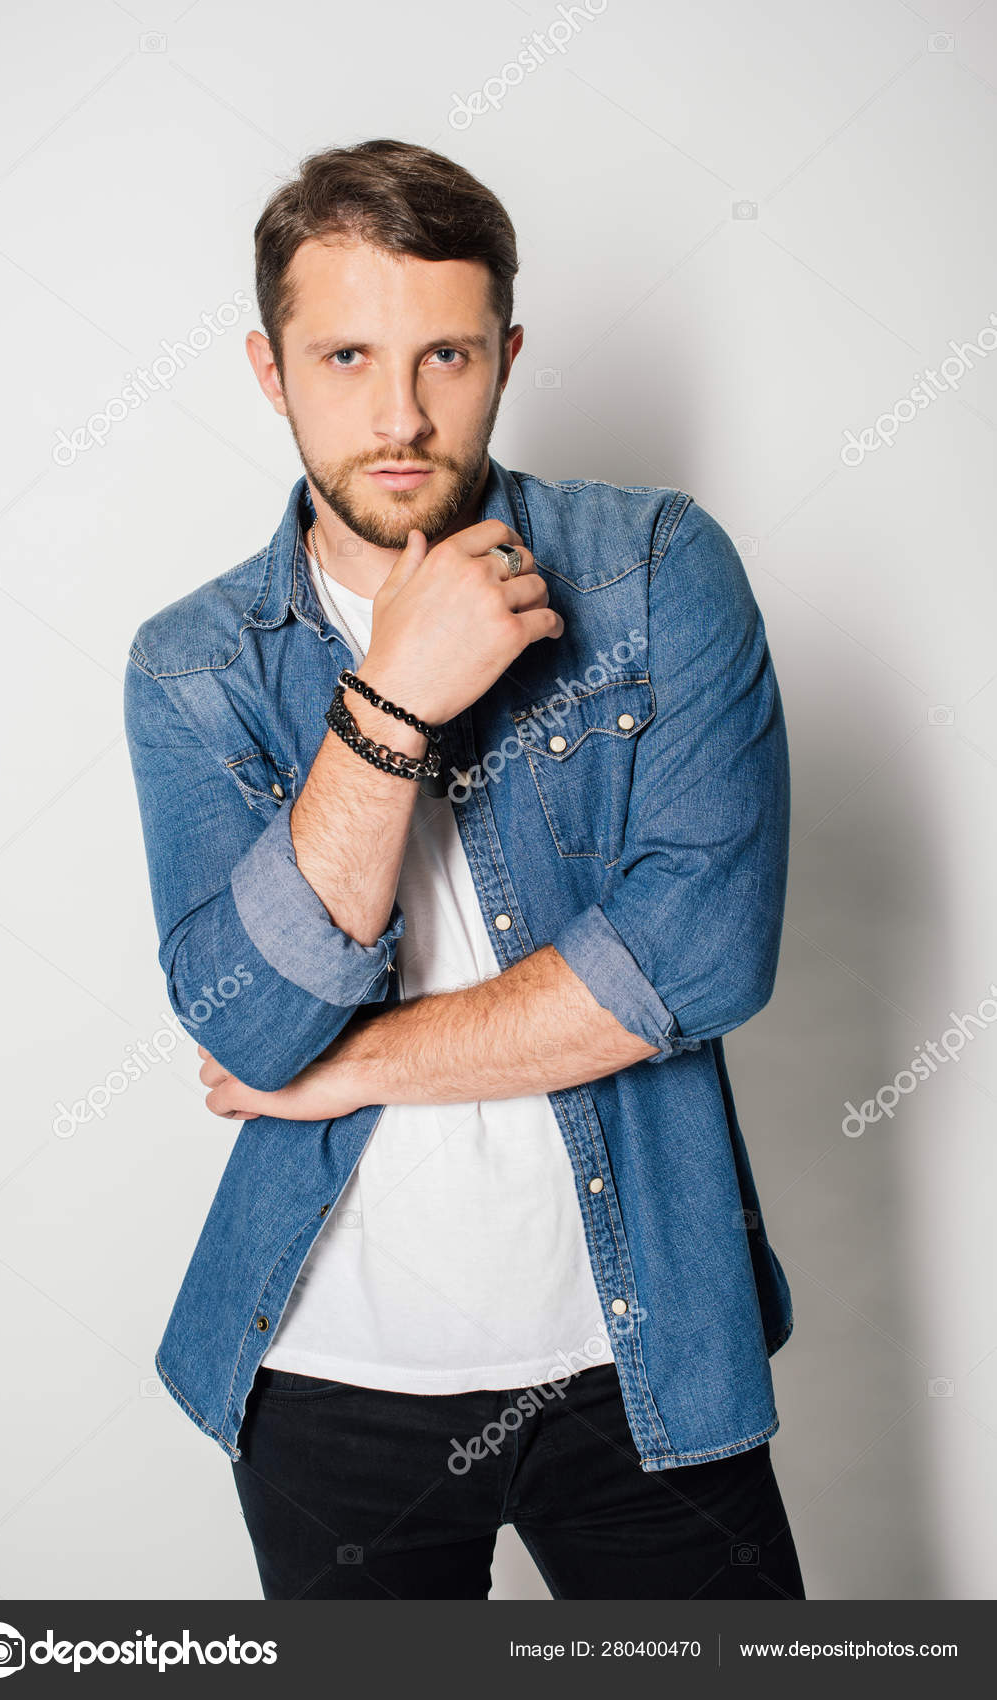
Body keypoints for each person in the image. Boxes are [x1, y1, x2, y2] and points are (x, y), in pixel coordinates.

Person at [124, 138, 805, 1601]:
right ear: (269, 367)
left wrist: (348, 1067)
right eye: (347, 355)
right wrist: (392, 700)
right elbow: (246, 1023)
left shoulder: (654, 571)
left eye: (445, 354)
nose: (399, 414)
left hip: (645, 1351)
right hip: (324, 1380)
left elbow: (696, 964)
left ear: (507, 350)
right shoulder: (190, 664)